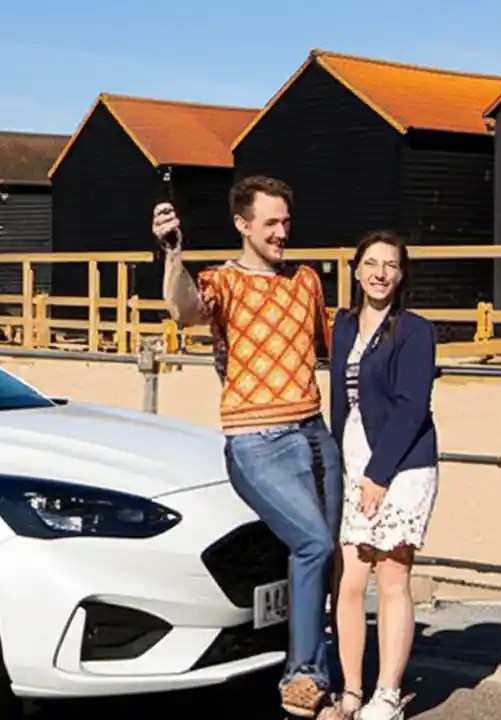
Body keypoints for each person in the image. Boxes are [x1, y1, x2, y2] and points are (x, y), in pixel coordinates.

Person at [152, 175, 342, 718]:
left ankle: (319, 680)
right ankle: (301, 676)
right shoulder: (223, 282)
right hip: (257, 442)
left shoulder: (306, 280)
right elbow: (186, 310)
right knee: (312, 545)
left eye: (286, 222)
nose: (282, 232)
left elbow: (334, 346)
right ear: (242, 225)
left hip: (315, 432)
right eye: (271, 223)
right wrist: (172, 253)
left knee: (323, 558)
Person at [327, 230, 439, 720]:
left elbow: (413, 407)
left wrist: (379, 475)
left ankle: (388, 693)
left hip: (403, 463)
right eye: (371, 263)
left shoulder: (415, 331)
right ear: (356, 270)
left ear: (401, 274)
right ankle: (351, 689)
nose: (380, 273)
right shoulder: (342, 326)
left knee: (393, 575)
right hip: (352, 458)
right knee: (349, 580)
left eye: (390, 265)